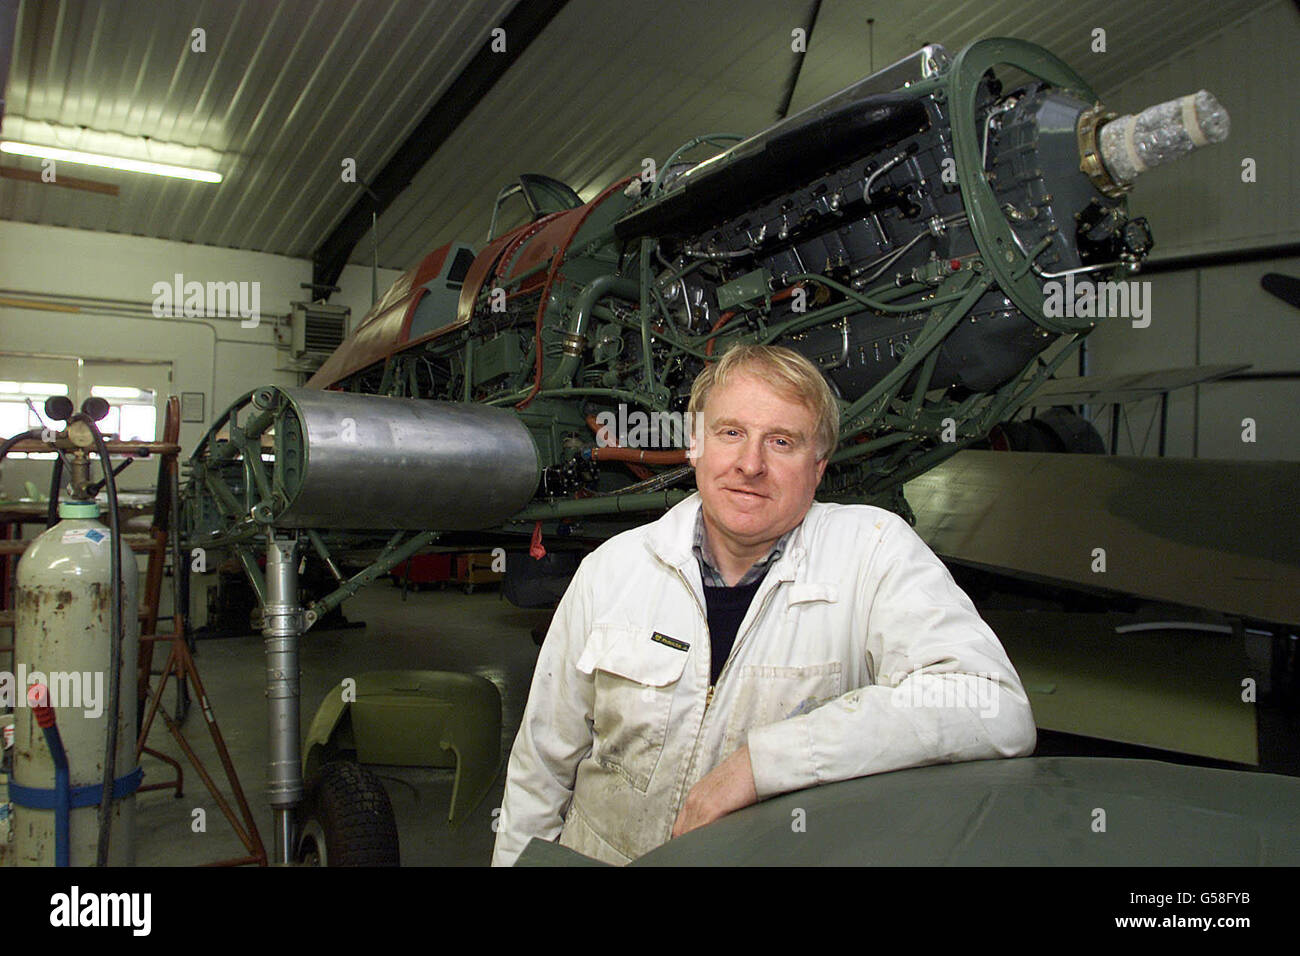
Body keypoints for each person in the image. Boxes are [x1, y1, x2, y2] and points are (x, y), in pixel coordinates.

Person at [491, 344, 1036, 866]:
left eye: (782, 442)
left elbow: (994, 708)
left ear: (819, 467)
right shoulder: (612, 570)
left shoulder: (873, 553)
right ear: (697, 447)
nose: (750, 464)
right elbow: (541, 766)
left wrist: (770, 761)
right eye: (731, 433)